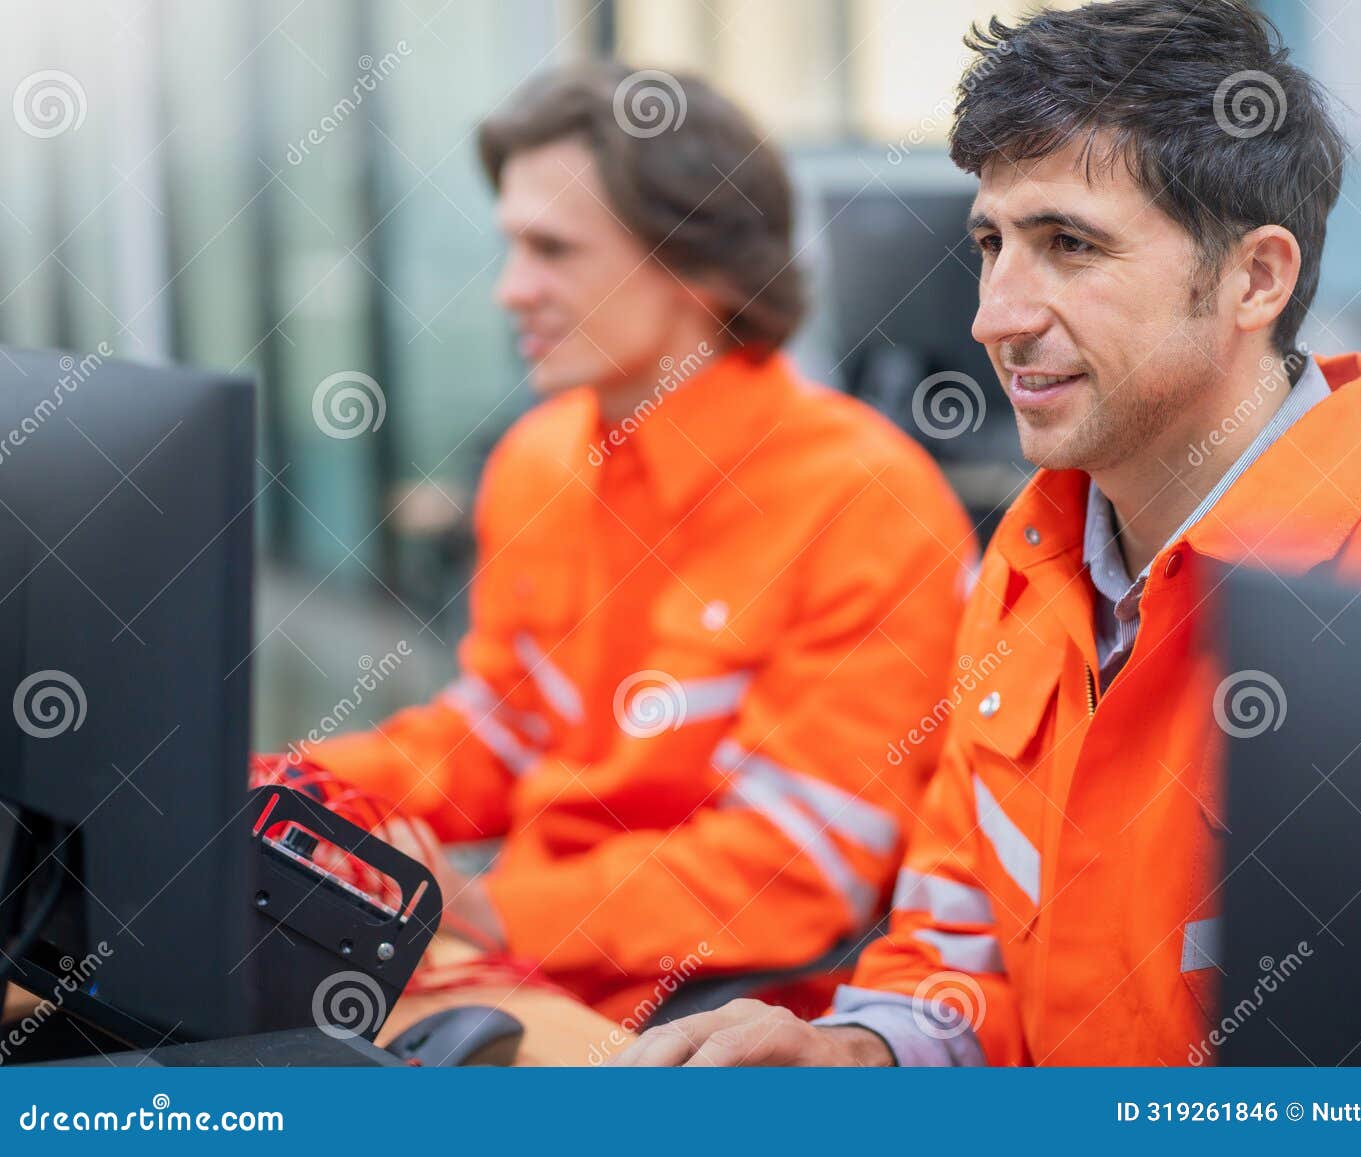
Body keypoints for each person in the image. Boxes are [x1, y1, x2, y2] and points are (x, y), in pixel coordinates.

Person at [612, 0, 1361, 1066]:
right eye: (991, 243)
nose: (994, 314)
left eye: (1070, 245)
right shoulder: (1027, 568)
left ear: (1255, 279)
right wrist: (855, 1051)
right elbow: (962, 943)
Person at [303, 63, 974, 1023]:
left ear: (698, 266)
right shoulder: (537, 459)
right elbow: (498, 733)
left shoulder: (868, 501)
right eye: (511, 247)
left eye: (553, 250)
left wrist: (490, 910)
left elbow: (798, 864)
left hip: (704, 1026)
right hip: (511, 968)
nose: (510, 291)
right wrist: (292, 789)